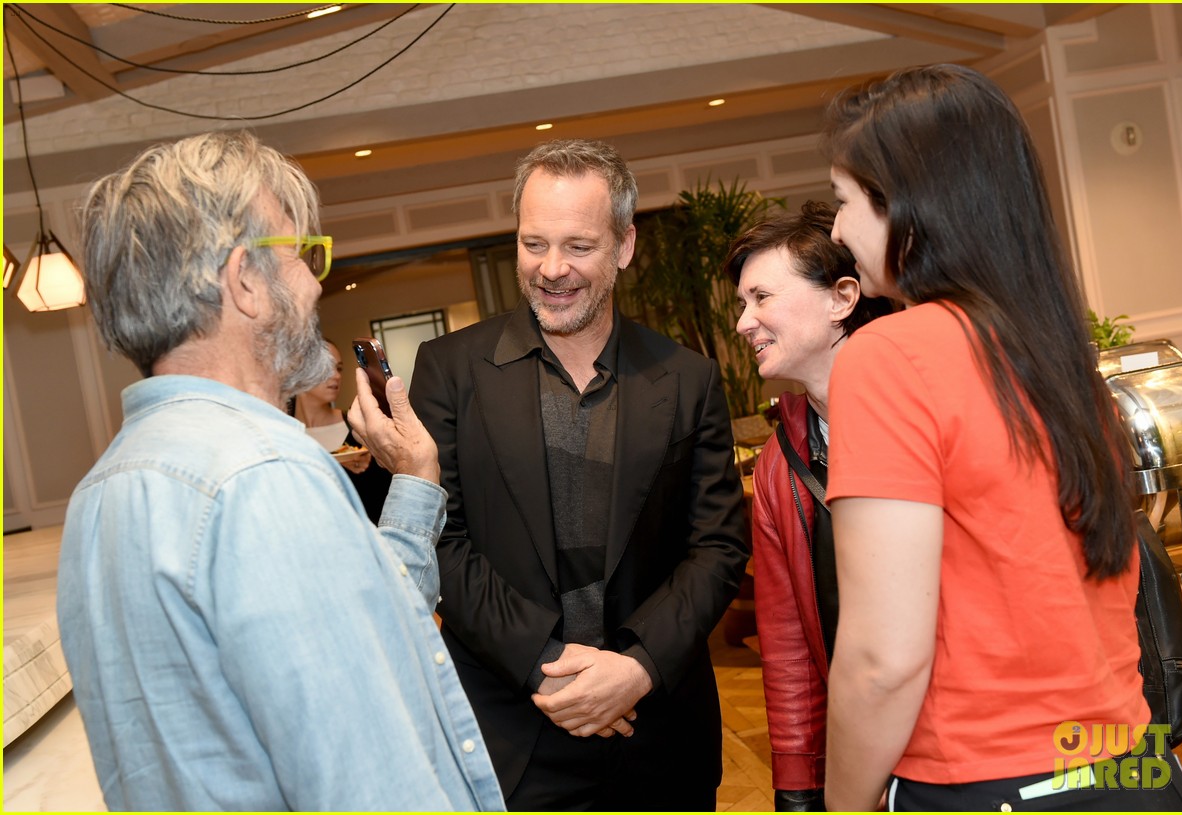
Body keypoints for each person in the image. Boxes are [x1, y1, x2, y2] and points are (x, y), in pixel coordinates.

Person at [57, 130, 504, 812]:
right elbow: (367, 779)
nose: (316, 281)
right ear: (245, 281)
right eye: (303, 255)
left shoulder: (99, 494)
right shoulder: (263, 475)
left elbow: (365, 632)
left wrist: (415, 481)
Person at [820, 64, 1182, 811]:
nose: (835, 230)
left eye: (843, 200)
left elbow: (882, 659)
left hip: (994, 780)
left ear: (910, 204)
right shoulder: (1054, 353)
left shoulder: (888, 356)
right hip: (1136, 772)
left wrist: (843, 803)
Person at [409, 138, 749, 810]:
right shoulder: (448, 371)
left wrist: (638, 667)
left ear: (624, 246)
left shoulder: (687, 378)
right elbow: (440, 538)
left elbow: (716, 546)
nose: (552, 268)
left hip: (659, 733)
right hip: (512, 735)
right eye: (533, 244)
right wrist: (547, 667)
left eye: (579, 246)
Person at [723, 201, 892, 812]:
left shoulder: (926, 411)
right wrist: (799, 790)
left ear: (841, 298)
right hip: (868, 760)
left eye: (762, 297)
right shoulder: (778, 465)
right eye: (743, 303)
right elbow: (790, 648)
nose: (744, 322)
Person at [289, 338, 393, 521]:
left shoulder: (358, 427)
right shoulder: (282, 435)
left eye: (338, 368)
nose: (336, 375)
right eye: (325, 366)